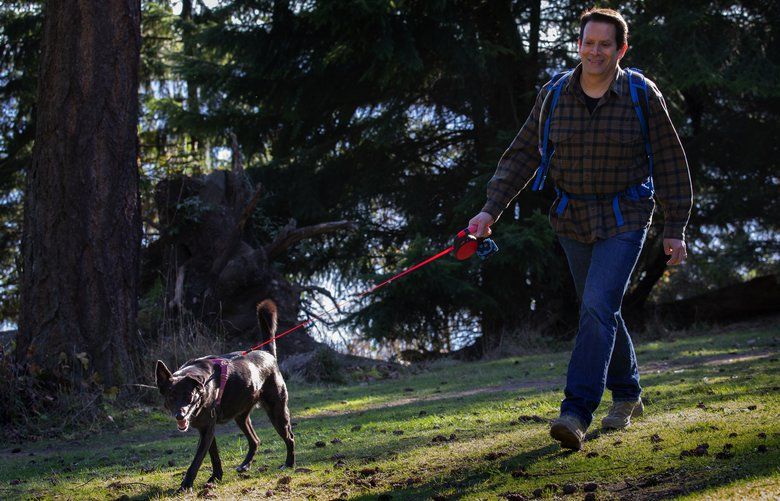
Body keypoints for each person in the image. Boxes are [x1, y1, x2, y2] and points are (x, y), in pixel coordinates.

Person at [468, 7, 692, 450]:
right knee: (601, 308)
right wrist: (489, 211)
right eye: (588, 43)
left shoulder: (641, 95)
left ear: (621, 49)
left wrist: (675, 226)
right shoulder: (553, 96)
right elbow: (521, 157)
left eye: (605, 45)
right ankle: (628, 393)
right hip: (571, 218)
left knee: (595, 306)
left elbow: (670, 161)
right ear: (579, 45)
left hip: (626, 215)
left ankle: (575, 412)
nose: (595, 51)